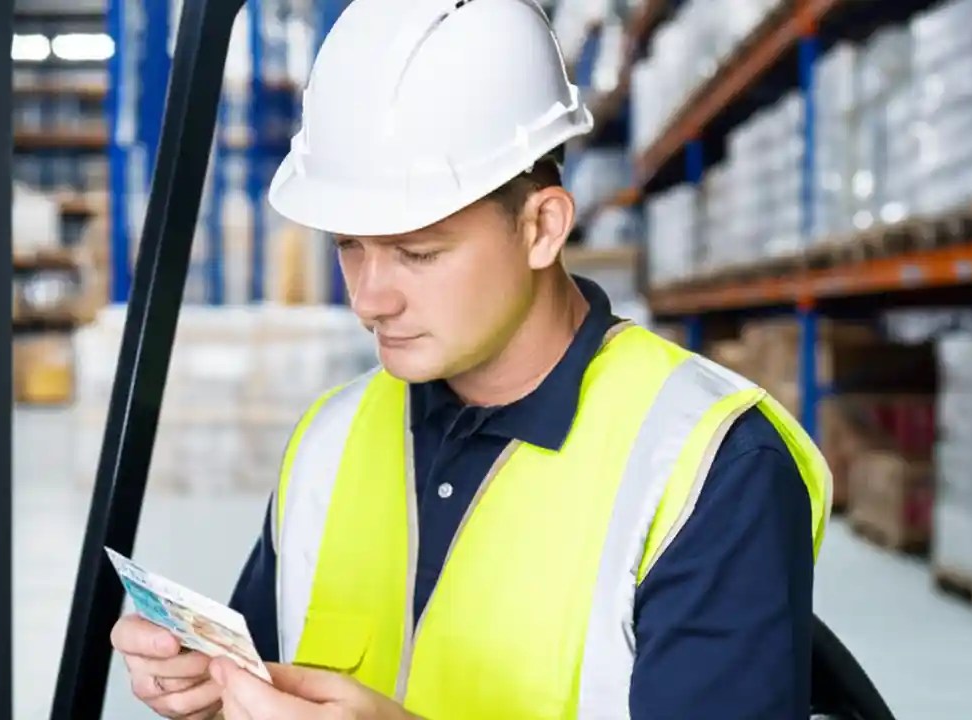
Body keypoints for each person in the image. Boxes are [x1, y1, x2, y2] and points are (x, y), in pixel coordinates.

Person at [110, 0, 832, 717]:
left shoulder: (709, 467)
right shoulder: (329, 440)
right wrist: (218, 693)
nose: (368, 299)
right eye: (348, 246)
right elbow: (271, 675)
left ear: (541, 226)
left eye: (417, 253)